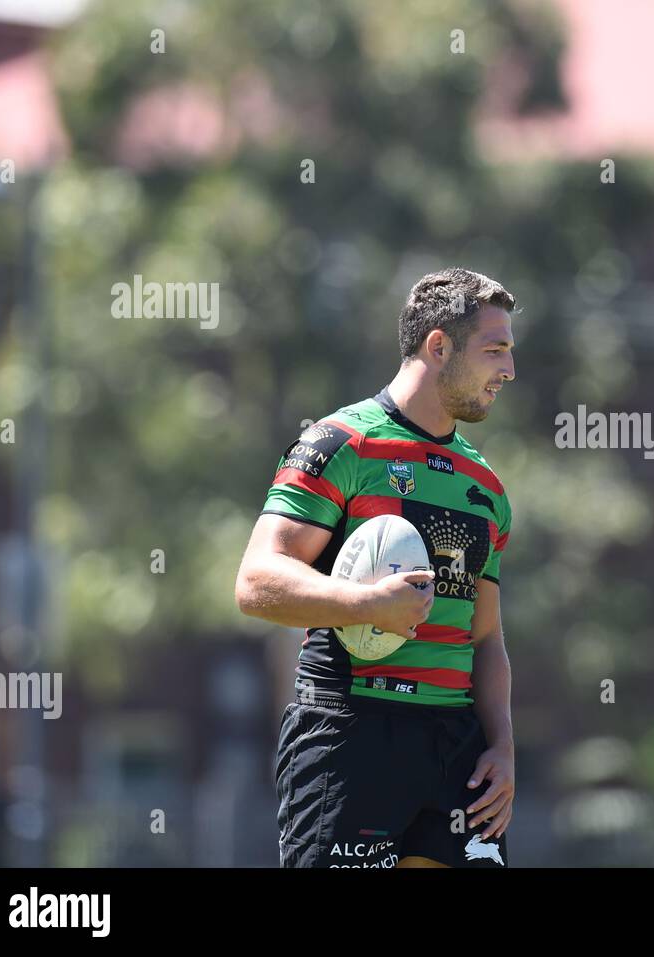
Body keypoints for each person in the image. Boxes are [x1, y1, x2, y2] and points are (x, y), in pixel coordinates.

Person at [235, 267, 517, 868]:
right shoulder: (340, 444)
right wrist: (366, 606)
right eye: (495, 350)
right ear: (438, 346)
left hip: (455, 744)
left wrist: (503, 747)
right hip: (351, 733)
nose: (509, 371)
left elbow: (486, 634)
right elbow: (256, 581)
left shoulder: (486, 486)